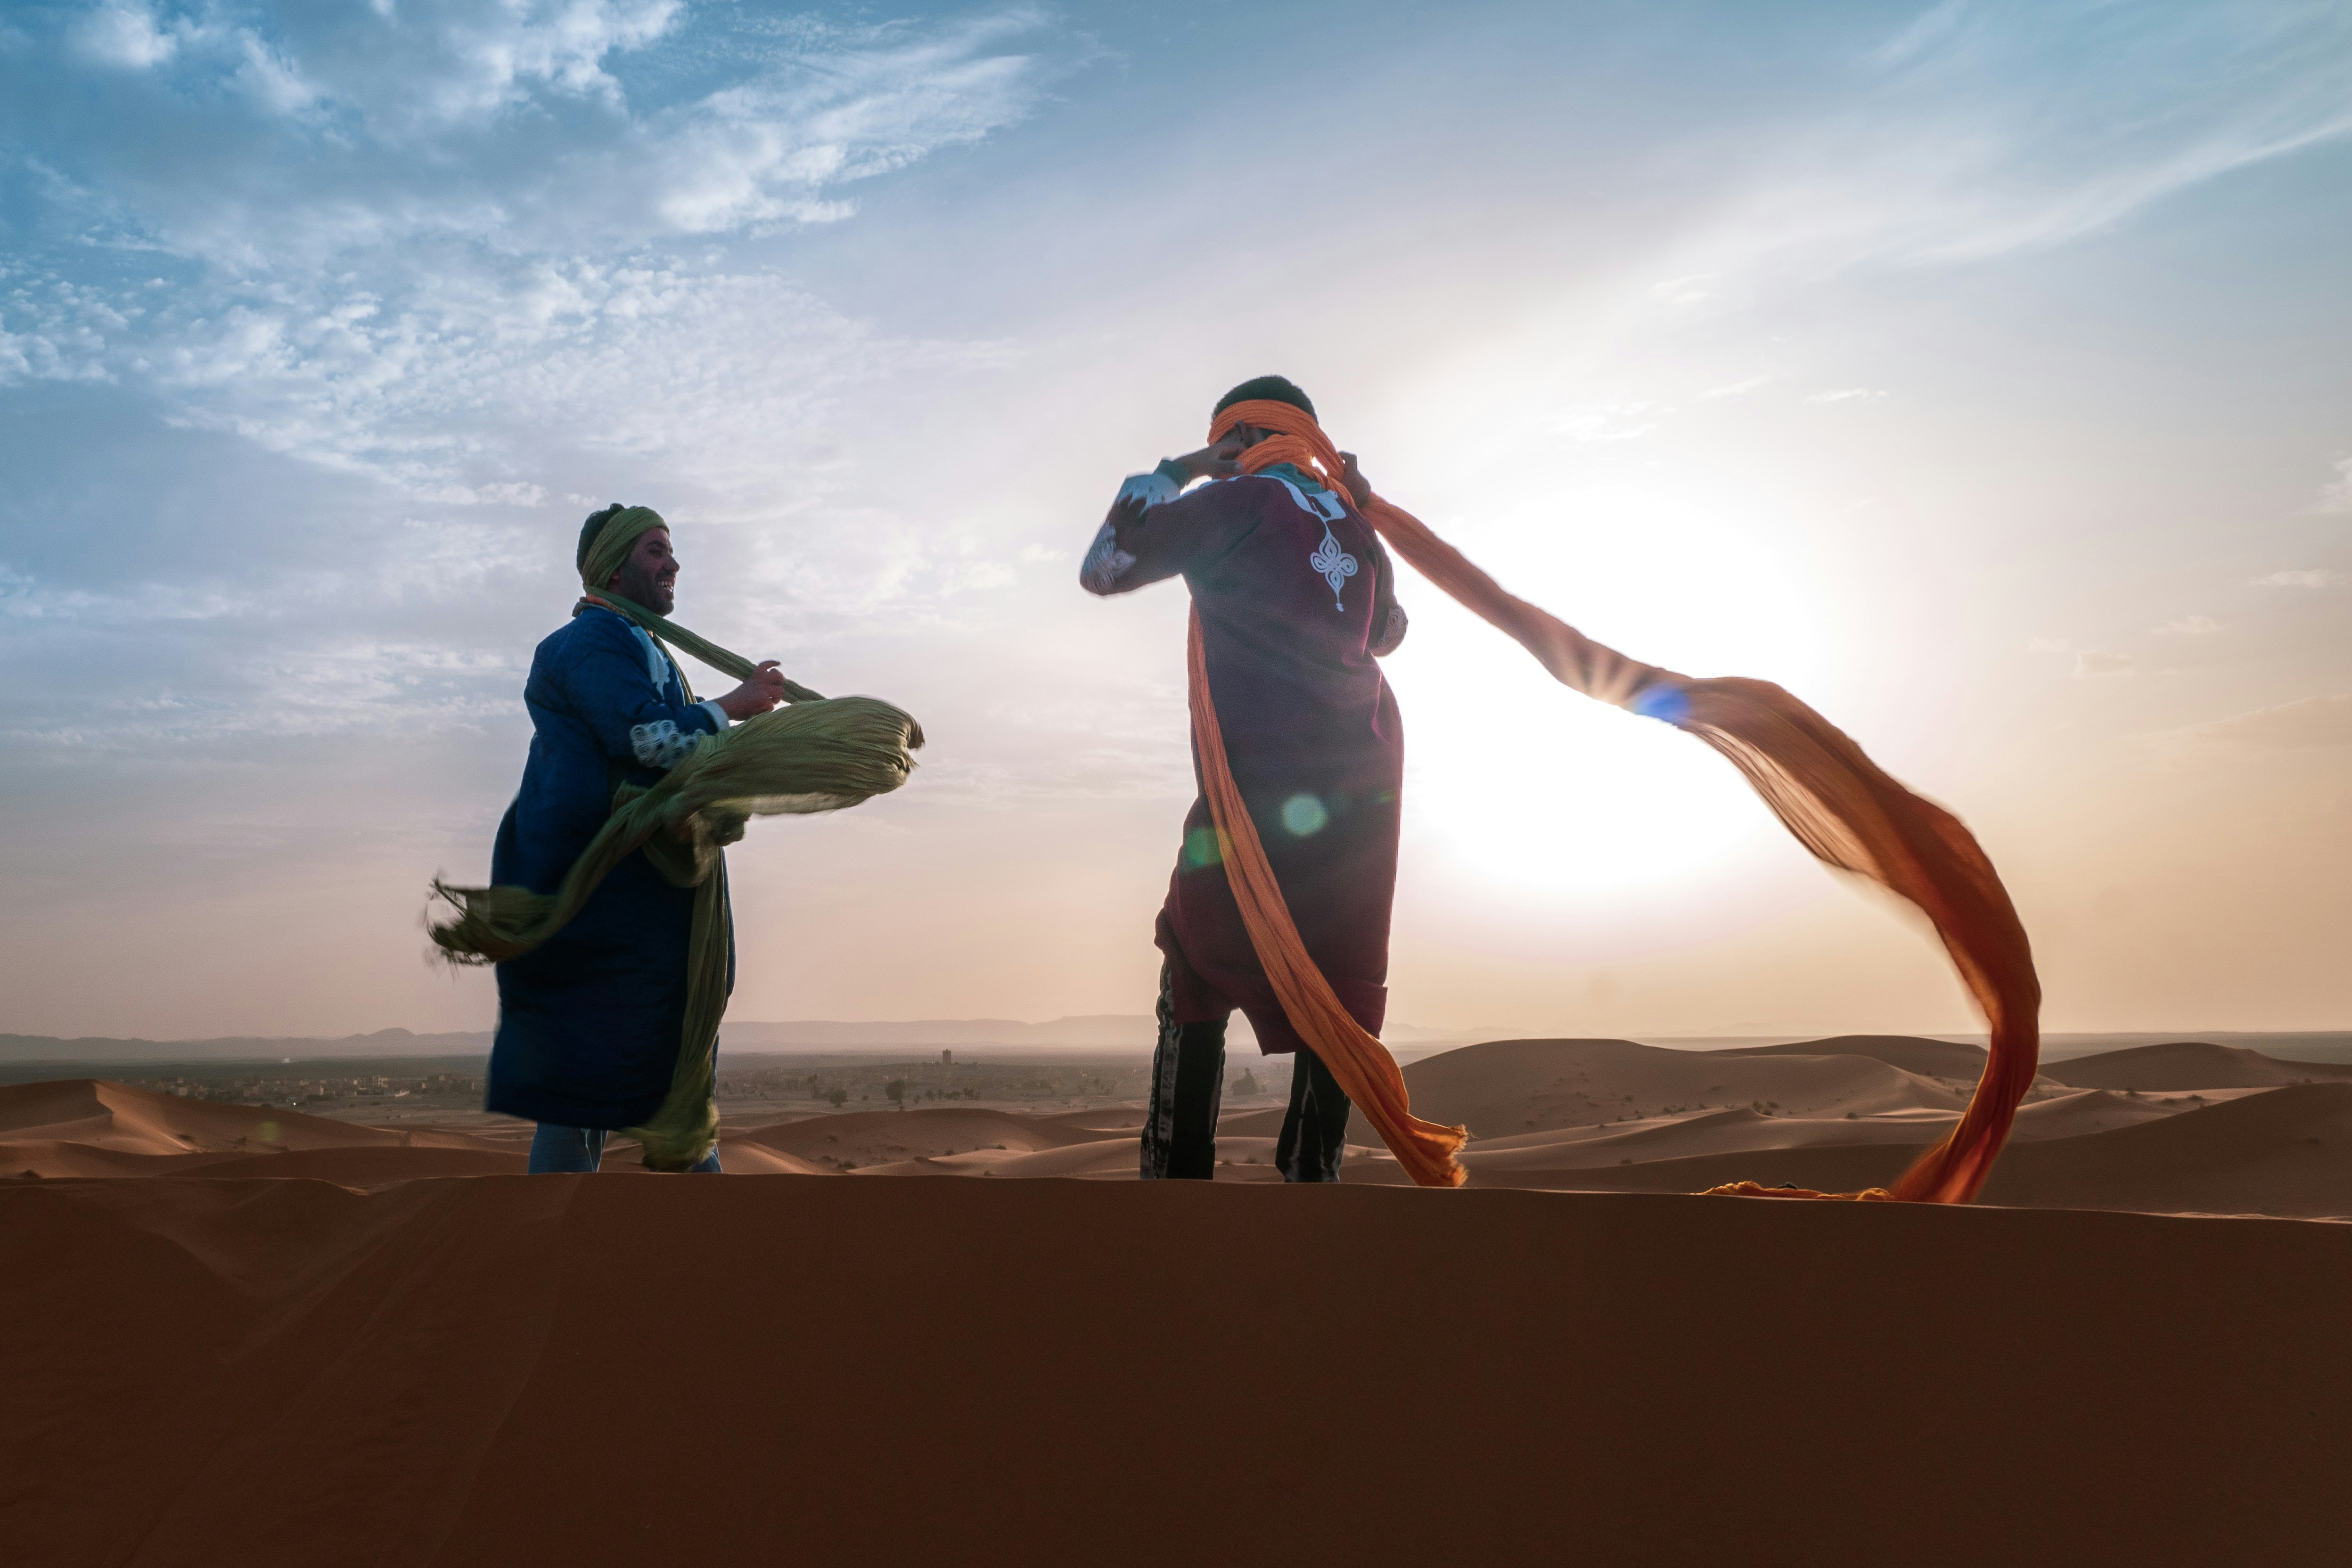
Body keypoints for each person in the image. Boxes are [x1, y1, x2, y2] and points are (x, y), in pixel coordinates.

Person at [1081, 376, 1409, 1182]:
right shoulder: (1358, 533)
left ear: (1238, 439)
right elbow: (1390, 632)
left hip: (1260, 787)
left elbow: (1106, 567)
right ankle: (1313, 1181)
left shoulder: (1241, 503)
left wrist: (1179, 466)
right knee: (1338, 977)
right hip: (1365, 787)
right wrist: (1357, 507)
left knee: (1196, 955)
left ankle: (1178, 1184)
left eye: (1224, 444)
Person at [486, 504, 789, 1173]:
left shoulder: (643, 647)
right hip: (603, 887)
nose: (672, 563)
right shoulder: (588, 643)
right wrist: (734, 707)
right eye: (656, 551)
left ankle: (692, 1248)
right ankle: (551, 1248)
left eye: (669, 551)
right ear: (615, 568)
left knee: (676, 1067)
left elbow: (668, 737)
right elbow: (648, 740)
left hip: (647, 888)